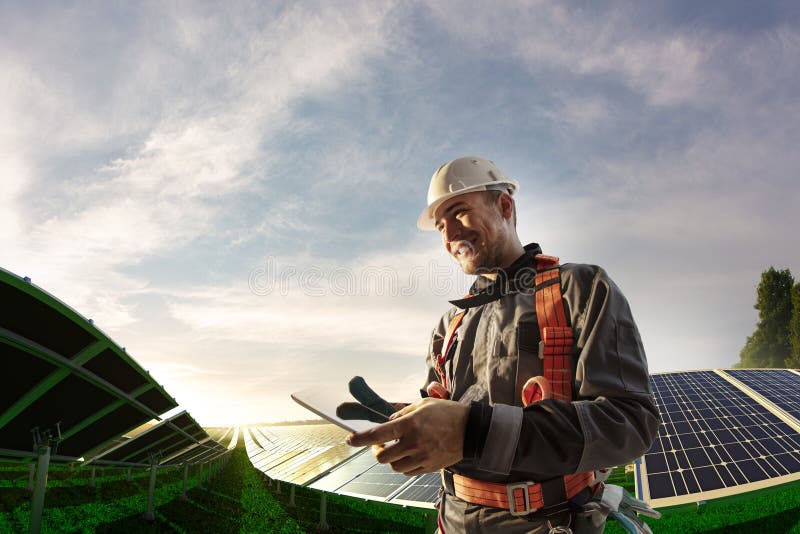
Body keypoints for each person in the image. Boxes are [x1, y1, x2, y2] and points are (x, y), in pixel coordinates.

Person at [347, 156, 660, 533]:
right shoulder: (449, 325)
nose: (449, 235)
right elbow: (441, 425)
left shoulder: (580, 289)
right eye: (440, 226)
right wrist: (403, 422)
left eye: (459, 213)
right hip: (452, 520)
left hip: (548, 522)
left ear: (505, 206)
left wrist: (475, 432)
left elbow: (629, 424)